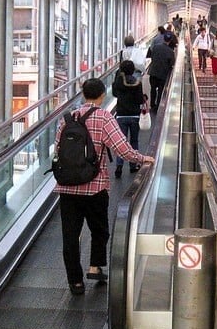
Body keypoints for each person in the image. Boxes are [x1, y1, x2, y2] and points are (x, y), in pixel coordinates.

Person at [54, 78, 155, 295]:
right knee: (99, 230)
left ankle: (76, 282)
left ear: (83, 95)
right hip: (95, 186)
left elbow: (57, 150)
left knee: (70, 236)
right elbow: (122, 148)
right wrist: (142, 158)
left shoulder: (66, 119)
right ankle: (95, 267)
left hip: (67, 188)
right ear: (102, 95)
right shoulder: (104, 117)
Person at [112, 60, 145, 177]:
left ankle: (119, 166)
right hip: (134, 115)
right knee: (134, 141)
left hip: (121, 114)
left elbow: (115, 94)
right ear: (132, 70)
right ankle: (133, 164)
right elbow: (140, 100)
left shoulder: (118, 82)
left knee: (122, 142)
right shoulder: (137, 82)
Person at [146, 32, 176, 112]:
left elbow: (151, 56)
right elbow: (172, 63)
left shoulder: (156, 47)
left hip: (153, 72)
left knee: (152, 89)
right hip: (163, 74)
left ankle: (152, 104)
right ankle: (158, 106)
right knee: (160, 90)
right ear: (169, 41)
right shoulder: (170, 52)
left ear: (163, 38)